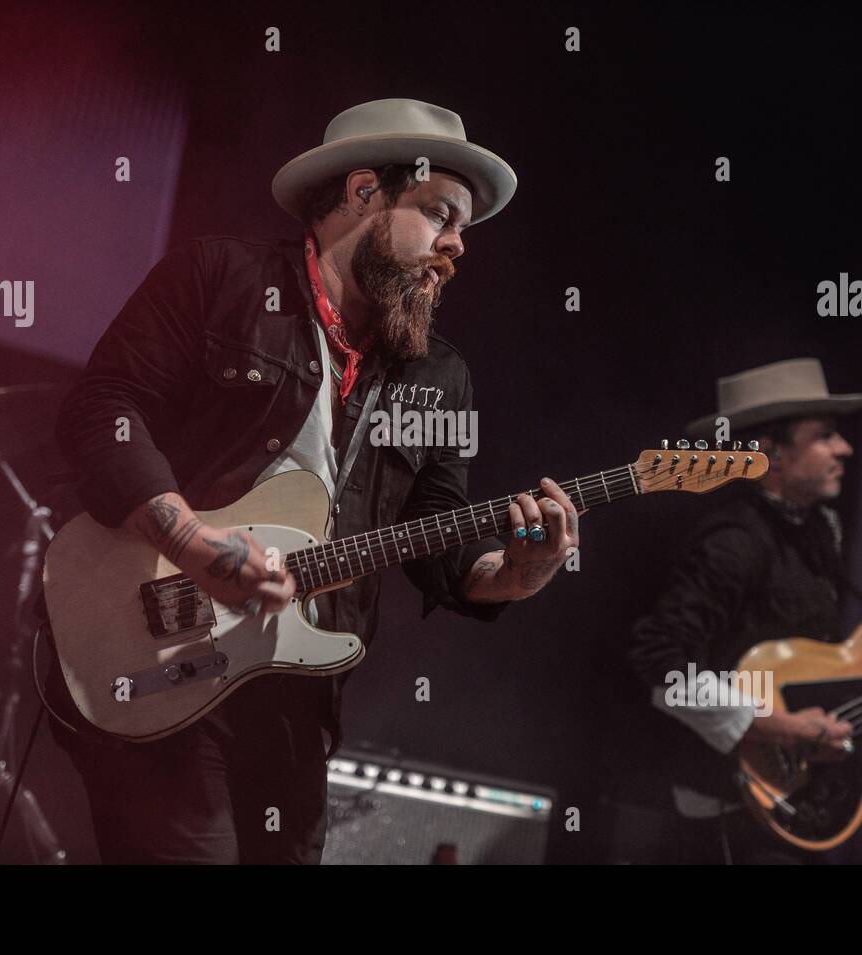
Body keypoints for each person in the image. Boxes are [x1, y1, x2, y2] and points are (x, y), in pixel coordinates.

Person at [45, 98, 582, 864]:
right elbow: (102, 414)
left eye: (462, 227)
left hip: (296, 696)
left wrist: (519, 575)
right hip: (157, 648)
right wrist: (194, 543)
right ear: (364, 193)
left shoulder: (440, 376)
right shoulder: (219, 279)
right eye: (440, 215)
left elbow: (440, 545)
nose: (458, 246)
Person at [608, 358, 862, 863]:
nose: (845, 449)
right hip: (727, 813)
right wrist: (774, 726)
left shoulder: (819, 531)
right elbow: (658, 662)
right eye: (825, 436)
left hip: (791, 802)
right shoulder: (733, 542)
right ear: (769, 453)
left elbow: (818, 676)